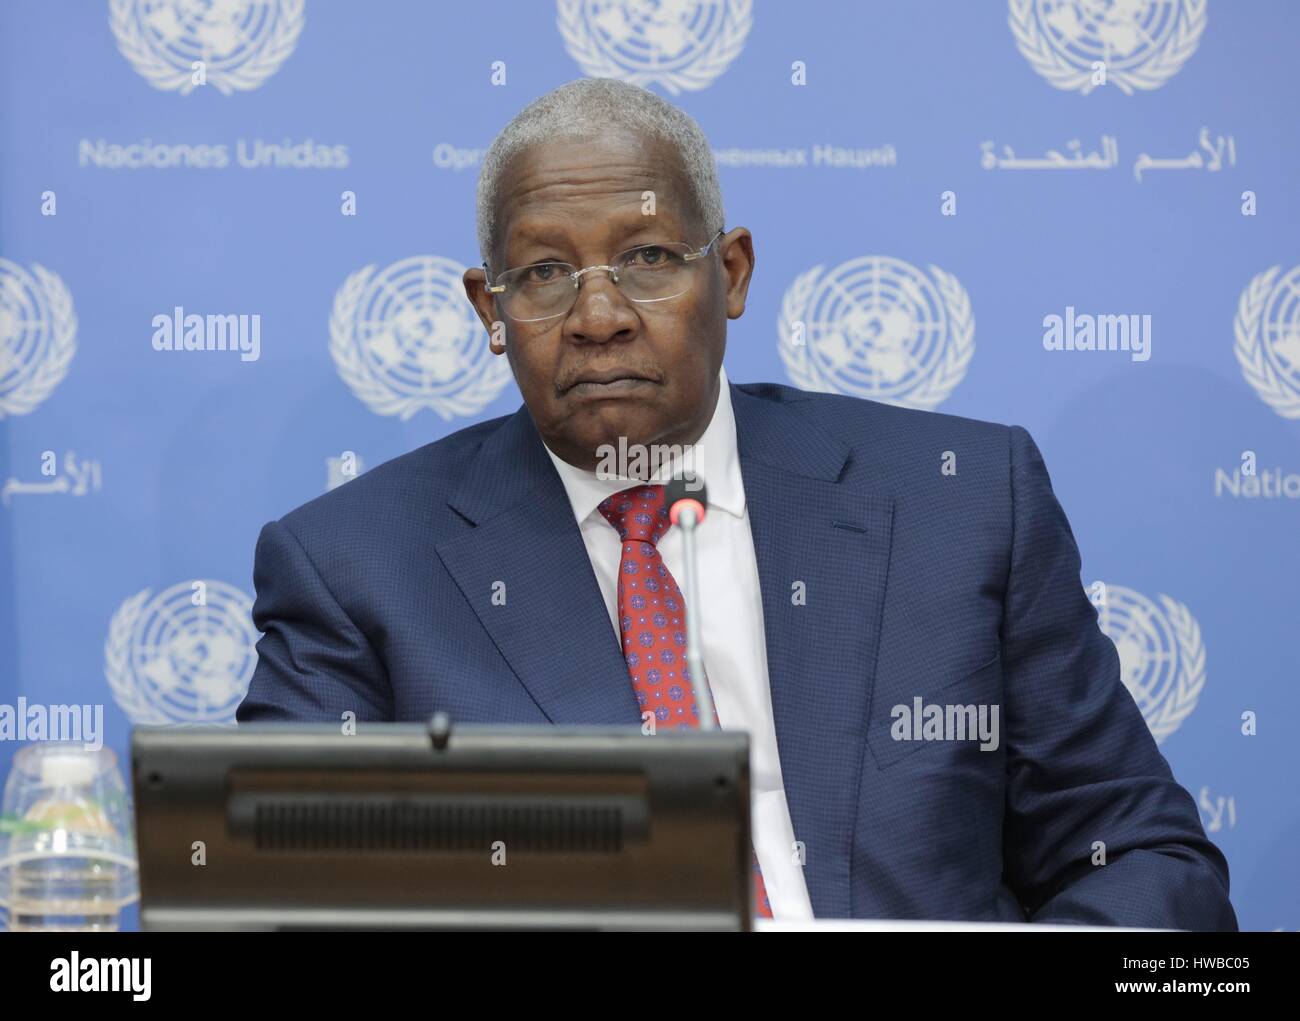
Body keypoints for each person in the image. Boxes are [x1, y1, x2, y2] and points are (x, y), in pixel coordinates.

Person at [237, 77, 1236, 929]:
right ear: (489, 312)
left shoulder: (961, 504)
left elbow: (1139, 858)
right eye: (543, 274)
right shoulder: (358, 568)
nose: (597, 317)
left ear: (732, 273)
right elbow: (279, 901)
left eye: (648, 258)